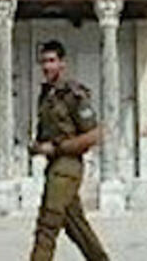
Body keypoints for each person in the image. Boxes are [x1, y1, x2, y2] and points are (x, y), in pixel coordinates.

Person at [27, 40, 108, 261]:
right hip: (54, 166)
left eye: (52, 61)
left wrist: (56, 148)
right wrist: (37, 147)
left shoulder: (74, 95)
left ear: (62, 64)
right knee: (76, 226)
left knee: (47, 224)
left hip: (68, 167)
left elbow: (94, 135)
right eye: (43, 61)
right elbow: (45, 135)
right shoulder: (46, 96)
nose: (47, 66)